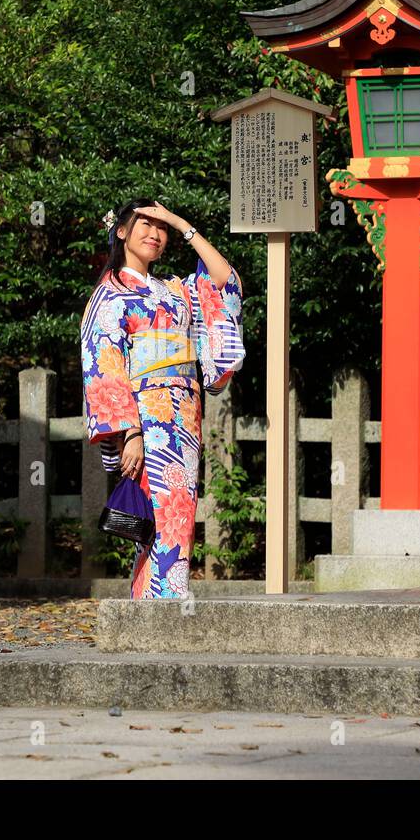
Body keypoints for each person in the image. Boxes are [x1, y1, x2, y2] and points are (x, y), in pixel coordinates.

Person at [81, 198, 245, 598]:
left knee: (177, 513)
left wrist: (182, 223)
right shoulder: (110, 296)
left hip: (185, 416)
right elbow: (103, 363)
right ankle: (165, 604)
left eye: (162, 228)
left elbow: (224, 281)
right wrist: (130, 433)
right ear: (121, 231)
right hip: (147, 420)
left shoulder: (173, 290)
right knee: (161, 514)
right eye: (145, 225)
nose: (155, 234)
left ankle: (152, 606)